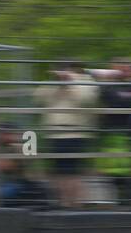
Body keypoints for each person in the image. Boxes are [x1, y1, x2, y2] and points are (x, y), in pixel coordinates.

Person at [34, 63, 99, 207]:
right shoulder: (52, 83)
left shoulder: (86, 81)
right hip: (54, 134)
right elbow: (39, 98)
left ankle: (76, 203)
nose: (62, 73)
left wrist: (72, 82)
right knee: (58, 172)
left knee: (73, 172)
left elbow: (86, 100)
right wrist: (56, 83)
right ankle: (63, 203)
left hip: (76, 133)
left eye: (66, 69)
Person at [90, 59, 131, 205]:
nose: (120, 71)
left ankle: (127, 203)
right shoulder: (113, 86)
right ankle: (117, 202)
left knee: (128, 172)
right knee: (112, 171)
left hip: (130, 134)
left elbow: (120, 100)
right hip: (111, 133)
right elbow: (101, 99)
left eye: (125, 69)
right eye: (116, 68)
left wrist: (106, 85)